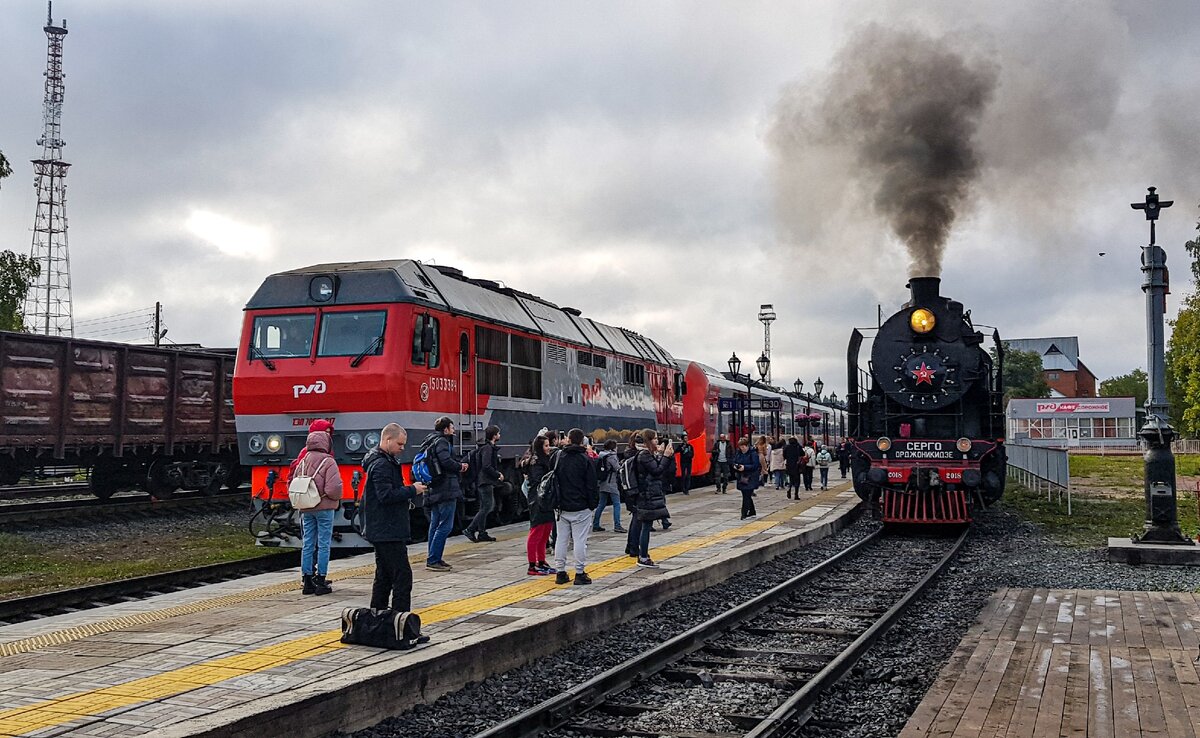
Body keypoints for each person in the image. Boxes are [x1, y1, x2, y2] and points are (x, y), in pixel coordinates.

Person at [361, 424, 427, 611]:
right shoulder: (382, 464)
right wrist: (412, 490)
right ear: (387, 439)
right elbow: (386, 495)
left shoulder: (379, 461)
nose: (402, 448)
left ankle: (378, 617)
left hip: (383, 527)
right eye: (399, 444)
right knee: (402, 577)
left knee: (384, 576)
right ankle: (400, 622)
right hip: (387, 528)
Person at [294, 425, 342, 595]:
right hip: (324, 508)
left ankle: (307, 580)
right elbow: (333, 489)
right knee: (323, 544)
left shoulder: (303, 460)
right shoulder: (328, 461)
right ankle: (321, 581)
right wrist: (336, 497)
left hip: (306, 507)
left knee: (307, 543)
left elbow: (296, 482)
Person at [552, 428, 601, 585]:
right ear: (582, 442)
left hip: (561, 506)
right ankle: (579, 573)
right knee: (580, 540)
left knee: (561, 539)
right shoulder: (586, 459)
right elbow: (592, 485)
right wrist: (592, 504)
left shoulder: (558, 456)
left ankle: (560, 572)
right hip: (580, 506)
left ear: (568, 439)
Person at [421, 416, 467, 572]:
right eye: (452, 428)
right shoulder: (442, 442)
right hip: (445, 488)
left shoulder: (430, 441)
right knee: (445, 526)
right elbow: (446, 462)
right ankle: (434, 559)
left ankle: (434, 557)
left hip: (435, 488)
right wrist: (460, 466)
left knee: (435, 524)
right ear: (446, 429)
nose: (454, 430)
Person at [631, 429, 672, 568]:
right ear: (648, 440)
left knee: (646, 526)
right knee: (646, 526)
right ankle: (642, 557)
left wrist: (660, 454)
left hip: (648, 494)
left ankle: (643, 555)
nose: (657, 441)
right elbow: (657, 471)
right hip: (647, 495)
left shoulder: (646, 454)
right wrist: (665, 456)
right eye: (654, 439)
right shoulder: (644, 455)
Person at [518, 434, 556, 576]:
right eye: (546, 446)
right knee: (536, 531)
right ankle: (532, 565)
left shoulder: (544, 460)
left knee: (546, 530)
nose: (548, 448)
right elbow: (539, 482)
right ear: (540, 447)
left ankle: (542, 561)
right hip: (538, 500)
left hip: (546, 500)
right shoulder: (536, 462)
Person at [464, 425, 503, 544]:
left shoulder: (485, 447)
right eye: (498, 433)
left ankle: (482, 533)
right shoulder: (488, 449)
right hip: (485, 481)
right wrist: (497, 475)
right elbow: (486, 466)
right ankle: (470, 529)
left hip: (483, 481)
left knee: (483, 507)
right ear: (494, 435)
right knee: (488, 506)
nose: (500, 435)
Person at [593, 439, 625, 533]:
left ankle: (595, 524)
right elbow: (617, 469)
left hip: (602, 482)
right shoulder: (612, 456)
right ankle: (617, 525)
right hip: (611, 483)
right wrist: (622, 464)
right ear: (613, 447)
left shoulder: (601, 455)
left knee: (601, 504)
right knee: (617, 504)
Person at [732, 437, 761, 519]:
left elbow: (755, 465)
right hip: (742, 477)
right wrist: (735, 466)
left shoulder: (753, 454)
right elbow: (735, 461)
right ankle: (752, 511)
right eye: (740, 447)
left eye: (743, 447)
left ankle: (743, 514)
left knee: (746, 495)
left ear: (747, 446)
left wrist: (745, 467)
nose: (742, 448)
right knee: (746, 494)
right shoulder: (738, 453)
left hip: (751, 477)